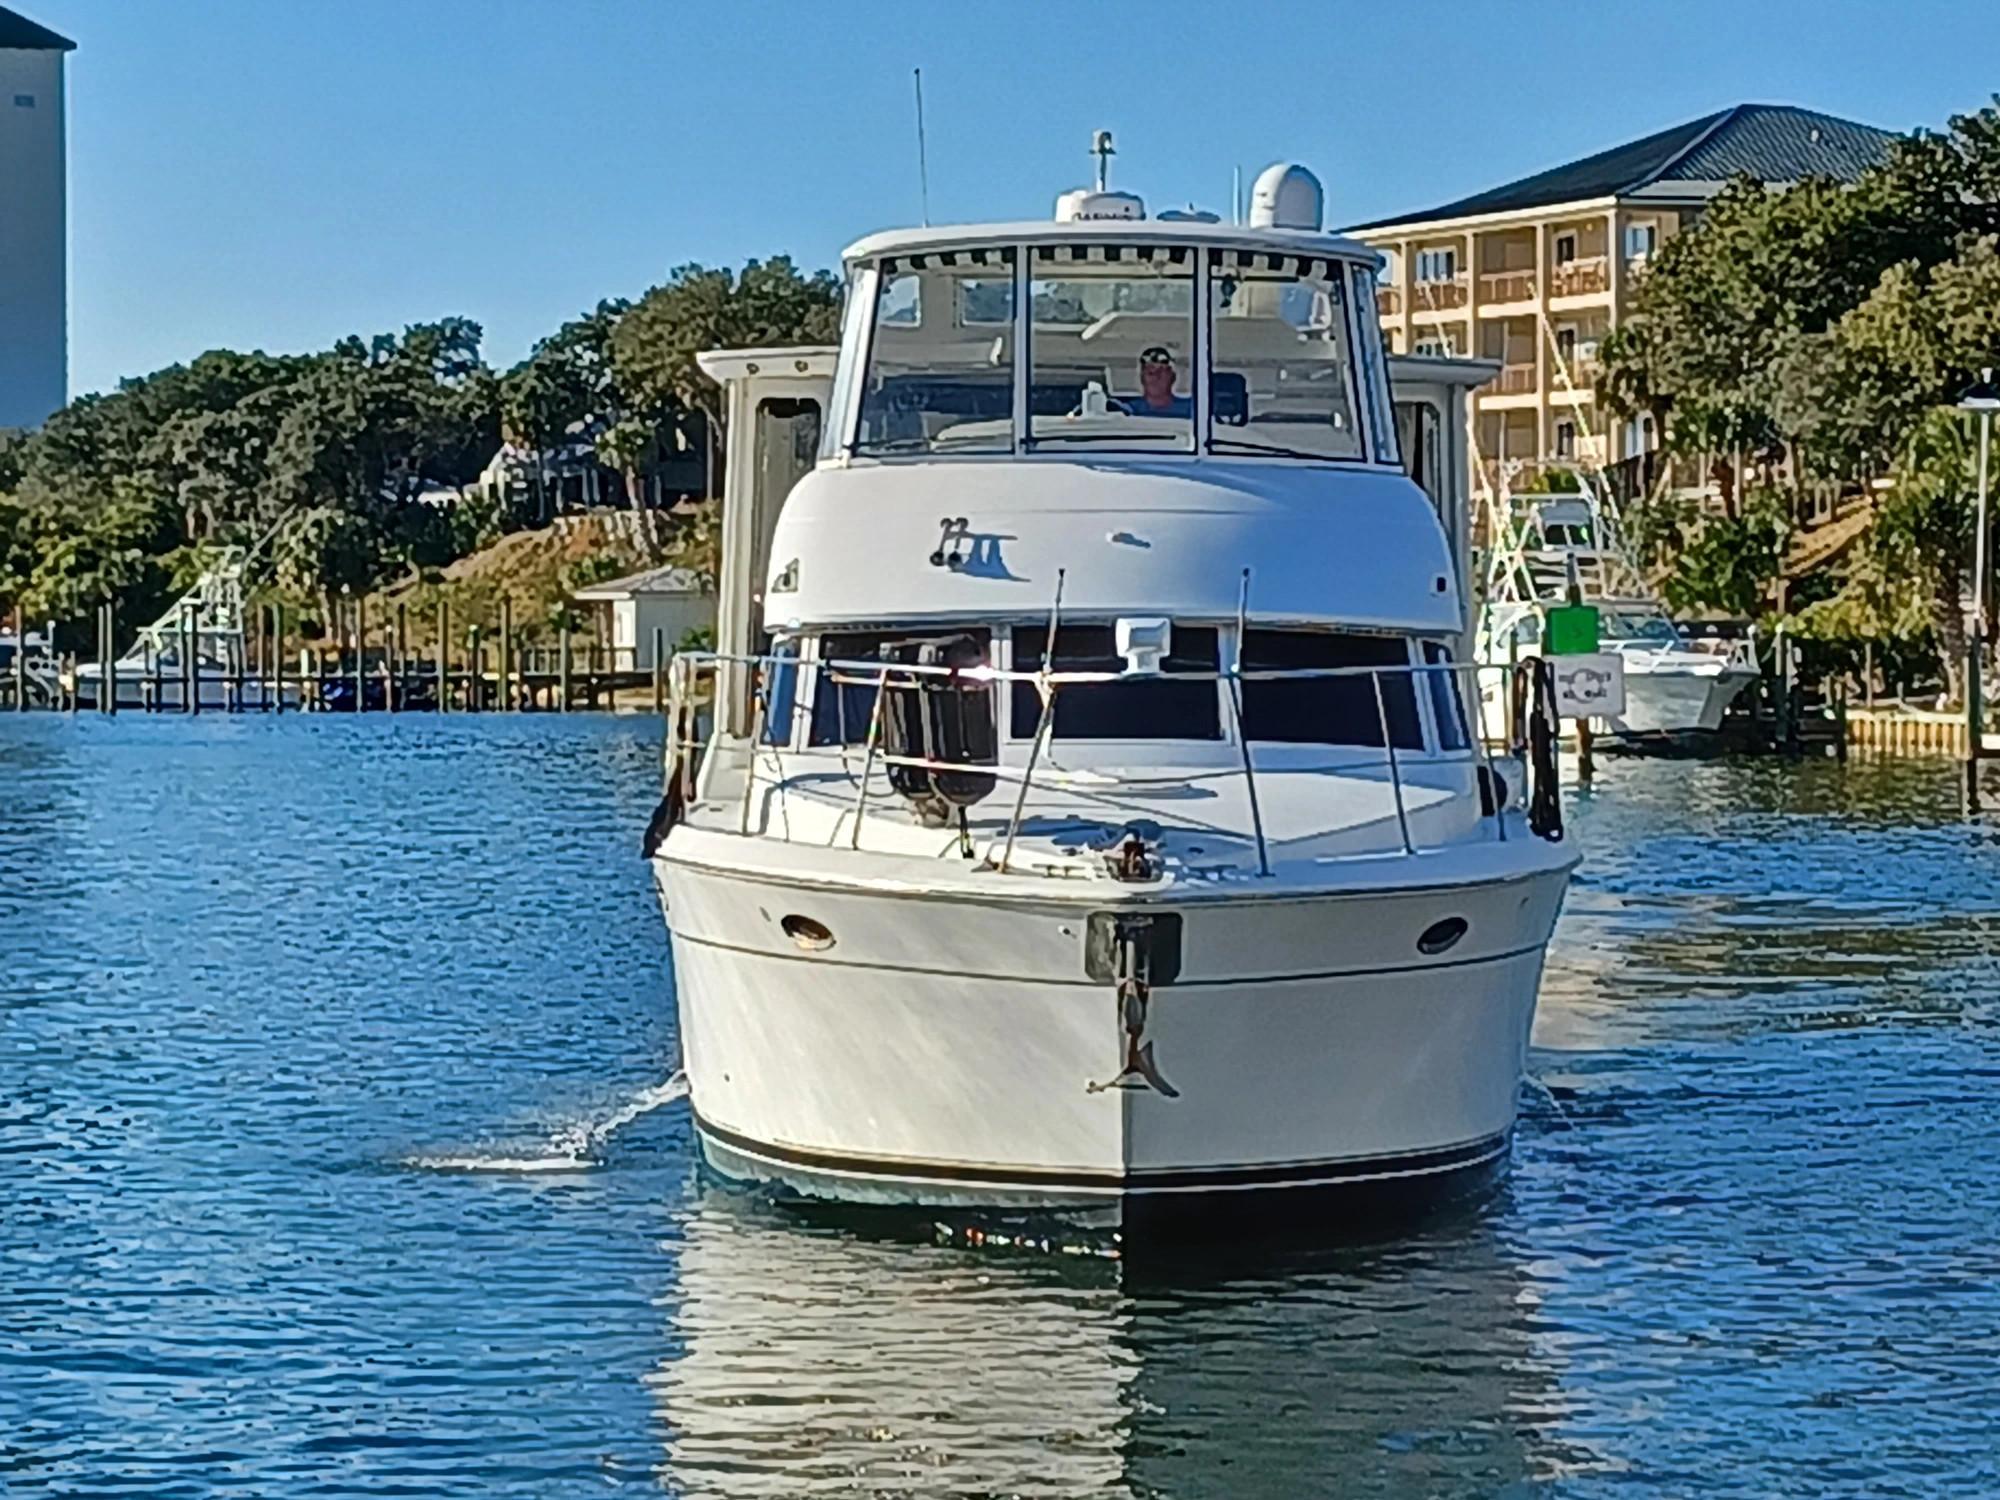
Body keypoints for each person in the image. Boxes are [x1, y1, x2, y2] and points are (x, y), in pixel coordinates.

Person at [1133, 345, 1191, 417]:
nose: (1155, 377)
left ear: (1173, 377)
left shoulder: (1191, 409)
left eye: (1161, 371)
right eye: (1150, 372)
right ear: (1142, 378)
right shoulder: (1131, 411)